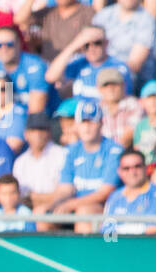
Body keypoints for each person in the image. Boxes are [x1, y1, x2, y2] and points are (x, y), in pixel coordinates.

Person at [48, 98, 123, 233]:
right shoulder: (72, 150)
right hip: (75, 205)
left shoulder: (114, 150)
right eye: (83, 122)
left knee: (84, 213)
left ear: (101, 123)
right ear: (77, 125)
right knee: (42, 215)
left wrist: (70, 204)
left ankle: (82, 254)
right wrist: (55, 205)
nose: (87, 127)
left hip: (105, 207)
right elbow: (65, 188)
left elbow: (104, 194)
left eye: (92, 122)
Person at [103, 148, 156, 235]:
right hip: (117, 247)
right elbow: (107, 233)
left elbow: (154, 229)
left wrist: (119, 230)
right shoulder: (114, 197)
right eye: (126, 168)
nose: (132, 172)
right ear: (119, 172)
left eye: (137, 166)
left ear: (146, 168)